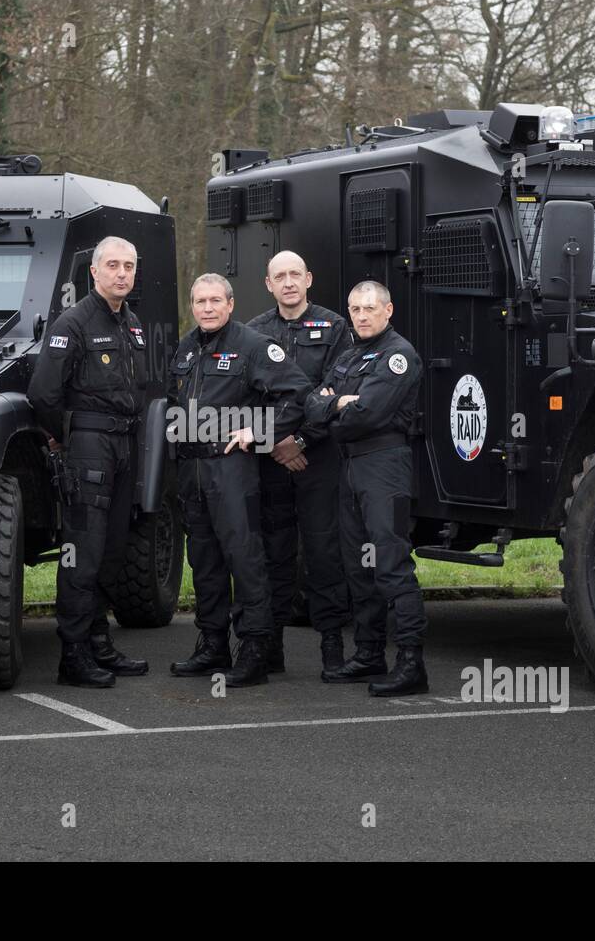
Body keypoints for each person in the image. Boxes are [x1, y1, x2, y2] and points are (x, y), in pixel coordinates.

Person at [167, 273, 311, 687]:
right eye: (200, 301)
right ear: (192, 306)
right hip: (193, 470)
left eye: (215, 300)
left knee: (245, 560)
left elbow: (299, 393)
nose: (208, 308)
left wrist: (259, 431)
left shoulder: (252, 345)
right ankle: (212, 643)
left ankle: (255, 651)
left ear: (230, 304)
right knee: (205, 562)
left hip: (231, 468)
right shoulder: (187, 347)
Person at [26, 235, 151, 687]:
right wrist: (64, 441)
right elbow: (43, 394)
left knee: (112, 550)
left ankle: (99, 642)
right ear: (94, 272)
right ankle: (73, 657)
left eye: (129, 266)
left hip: (124, 445)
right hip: (88, 446)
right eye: (113, 265)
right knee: (84, 552)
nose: (122, 273)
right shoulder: (73, 321)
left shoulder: (131, 322)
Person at [304, 280, 428, 697]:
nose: (361, 315)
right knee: (358, 566)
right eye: (355, 309)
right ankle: (369, 652)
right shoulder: (349, 355)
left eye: (370, 308)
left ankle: (411, 663)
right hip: (351, 468)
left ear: (388, 310)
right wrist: (338, 404)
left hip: (384, 468)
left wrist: (335, 405)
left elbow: (365, 415)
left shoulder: (398, 355)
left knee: (391, 565)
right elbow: (312, 403)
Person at [247, 251, 352, 674]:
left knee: (324, 552)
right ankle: (271, 647)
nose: (288, 282)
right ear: (268, 284)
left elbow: (334, 391)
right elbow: (250, 396)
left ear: (308, 279)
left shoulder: (334, 327)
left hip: (318, 459)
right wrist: (276, 442)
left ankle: (331, 648)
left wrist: (302, 440)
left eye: (295, 274)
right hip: (272, 460)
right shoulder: (252, 333)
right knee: (273, 552)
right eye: (279, 276)